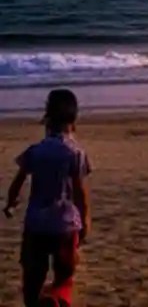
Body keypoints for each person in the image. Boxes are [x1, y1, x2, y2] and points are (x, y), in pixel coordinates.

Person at [4, 89, 91, 307]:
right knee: (65, 275)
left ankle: (36, 302)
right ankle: (56, 298)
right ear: (73, 120)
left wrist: (11, 202)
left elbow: (18, 180)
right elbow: (80, 191)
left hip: (36, 224)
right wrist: (86, 218)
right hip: (66, 224)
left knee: (32, 278)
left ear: (47, 119)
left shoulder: (35, 151)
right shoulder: (75, 153)